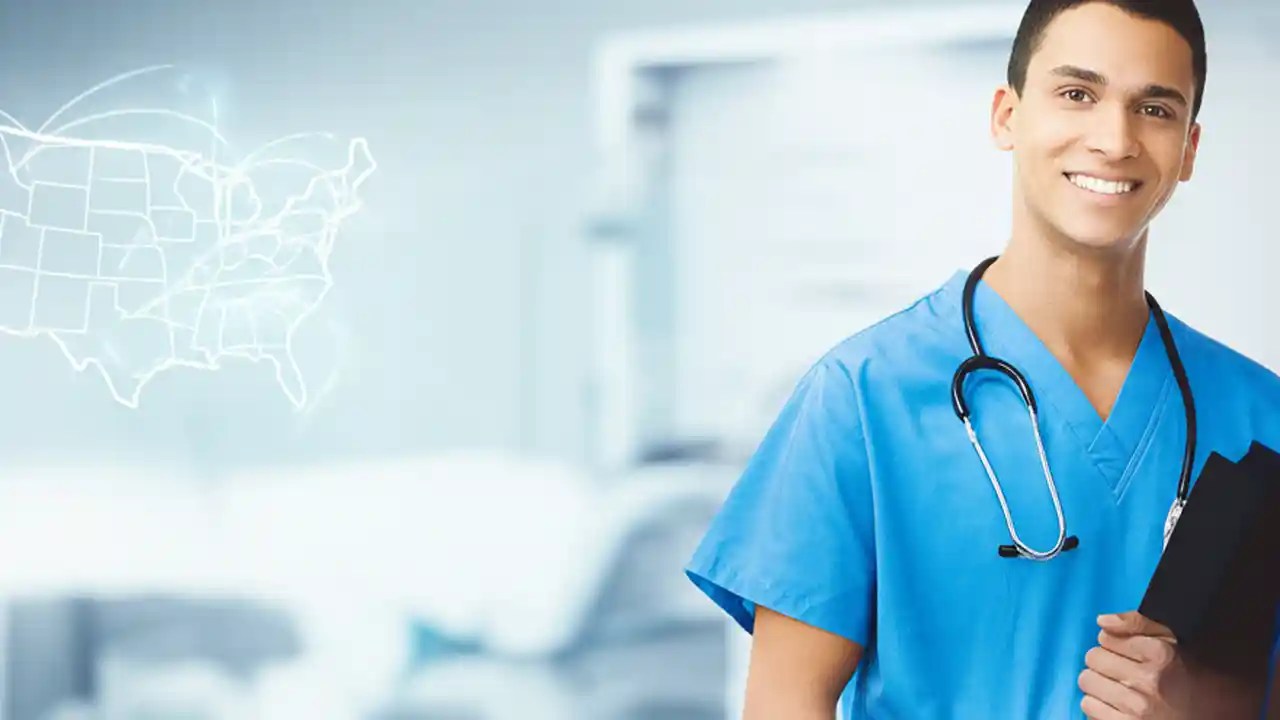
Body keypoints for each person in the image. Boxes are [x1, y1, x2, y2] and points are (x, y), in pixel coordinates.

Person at [682, 1, 1280, 718]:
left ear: (1188, 148)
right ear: (1007, 117)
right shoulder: (864, 397)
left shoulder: (1260, 414)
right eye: (1077, 94)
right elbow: (785, 704)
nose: (1114, 139)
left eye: (1154, 108)